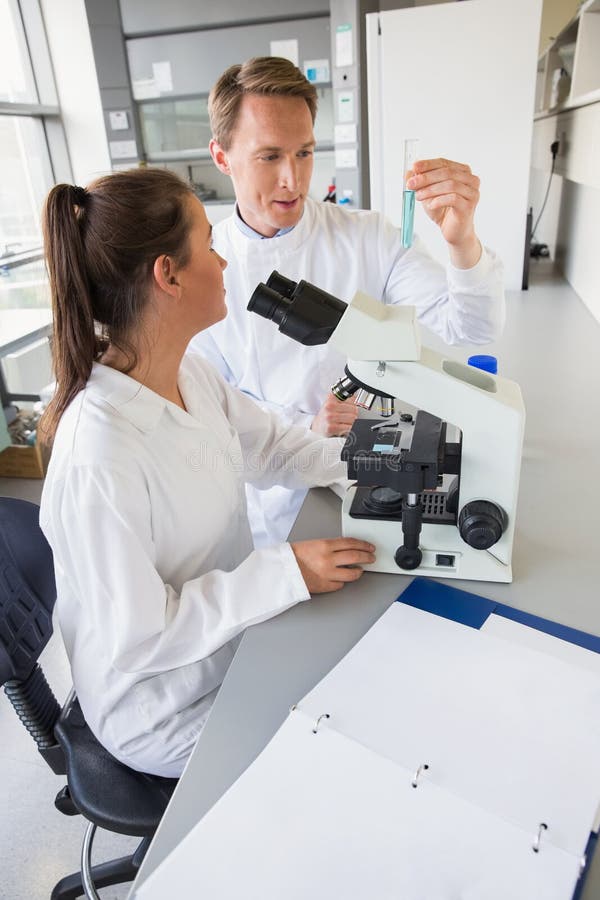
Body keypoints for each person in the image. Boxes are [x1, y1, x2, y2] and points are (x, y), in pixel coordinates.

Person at [38, 168, 375, 778]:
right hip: (164, 704)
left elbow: (273, 448)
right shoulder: (100, 454)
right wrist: (286, 571)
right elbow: (142, 638)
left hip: (232, 641)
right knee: (344, 747)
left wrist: (371, 471)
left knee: (360, 674)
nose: (224, 262)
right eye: (210, 246)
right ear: (167, 275)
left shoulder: (188, 372)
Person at [189, 56, 506, 548]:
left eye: (305, 153)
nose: (293, 179)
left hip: (378, 470)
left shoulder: (368, 237)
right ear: (221, 156)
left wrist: (462, 241)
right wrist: (306, 427)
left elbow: (471, 329)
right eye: (269, 157)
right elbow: (210, 414)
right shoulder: (206, 267)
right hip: (280, 501)